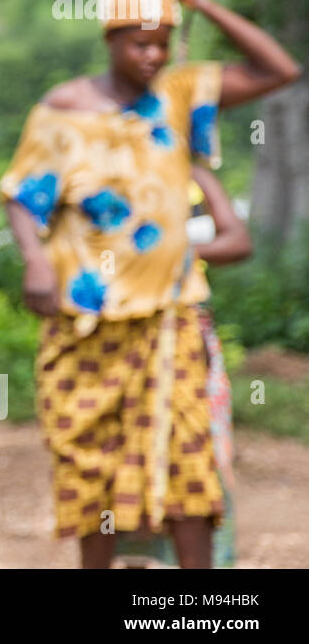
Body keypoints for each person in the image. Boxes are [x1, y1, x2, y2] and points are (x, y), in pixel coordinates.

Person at [0, 0, 300, 569]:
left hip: (170, 320)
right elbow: (24, 197)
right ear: (109, 39)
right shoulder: (63, 111)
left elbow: (280, 69)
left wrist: (200, 1)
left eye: (163, 41)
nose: (153, 55)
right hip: (88, 327)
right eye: (140, 42)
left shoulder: (181, 93)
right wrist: (34, 263)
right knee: (90, 477)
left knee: (189, 474)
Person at [114, 166, 248, 567]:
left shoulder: (194, 175)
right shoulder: (105, 169)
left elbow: (238, 242)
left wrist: (173, 252)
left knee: (196, 448)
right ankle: (136, 556)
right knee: (125, 449)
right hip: (118, 329)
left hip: (185, 326)